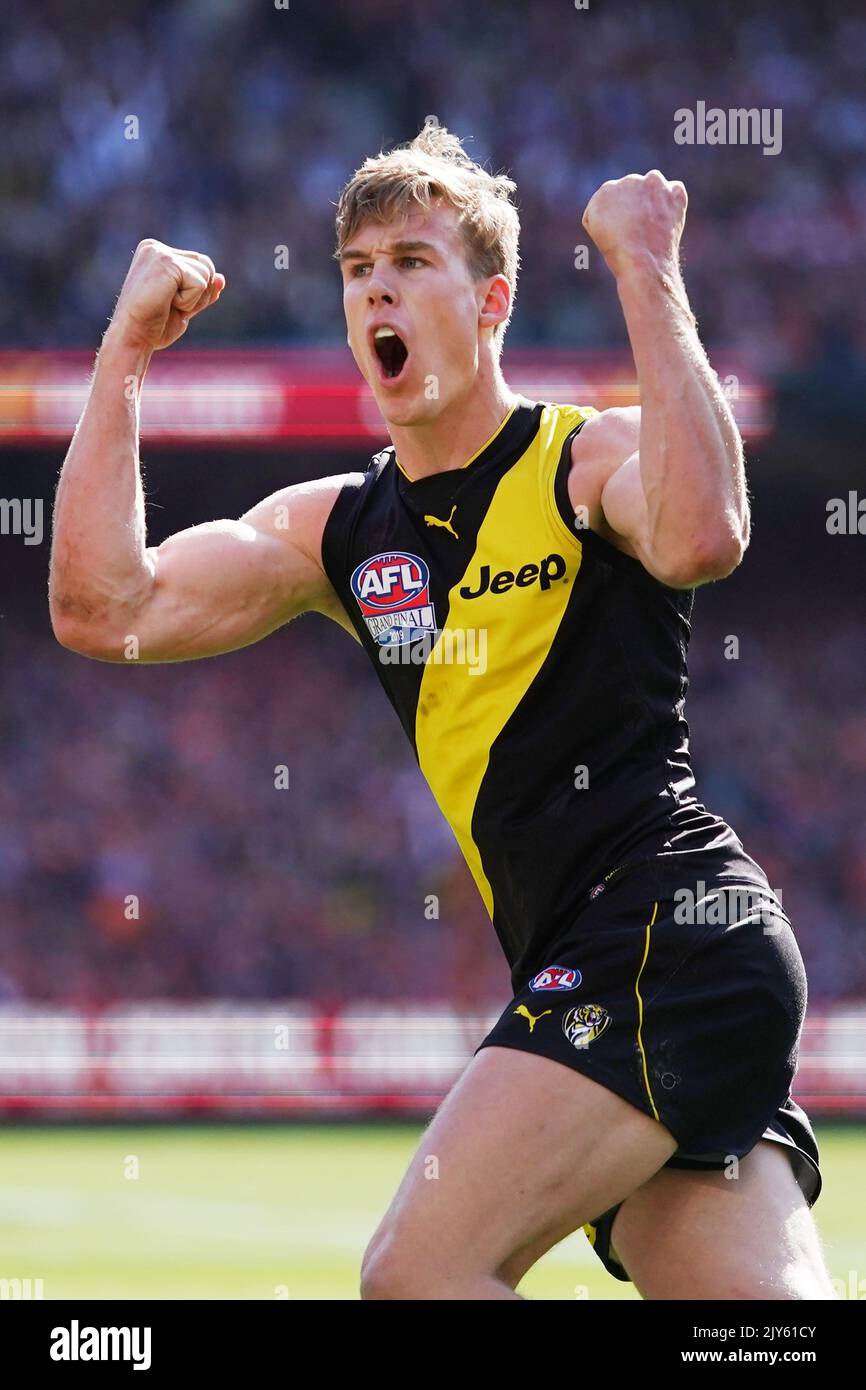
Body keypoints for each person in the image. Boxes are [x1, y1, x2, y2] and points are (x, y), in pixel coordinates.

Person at [49, 123, 835, 1300]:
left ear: (491, 302)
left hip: (668, 934)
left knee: (416, 1272)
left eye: (412, 262)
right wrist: (122, 353)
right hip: (607, 966)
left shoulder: (579, 461)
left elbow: (700, 533)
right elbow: (103, 605)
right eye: (358, 268)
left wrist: (643, 266)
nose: (377, 286)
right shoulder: (337, 529)